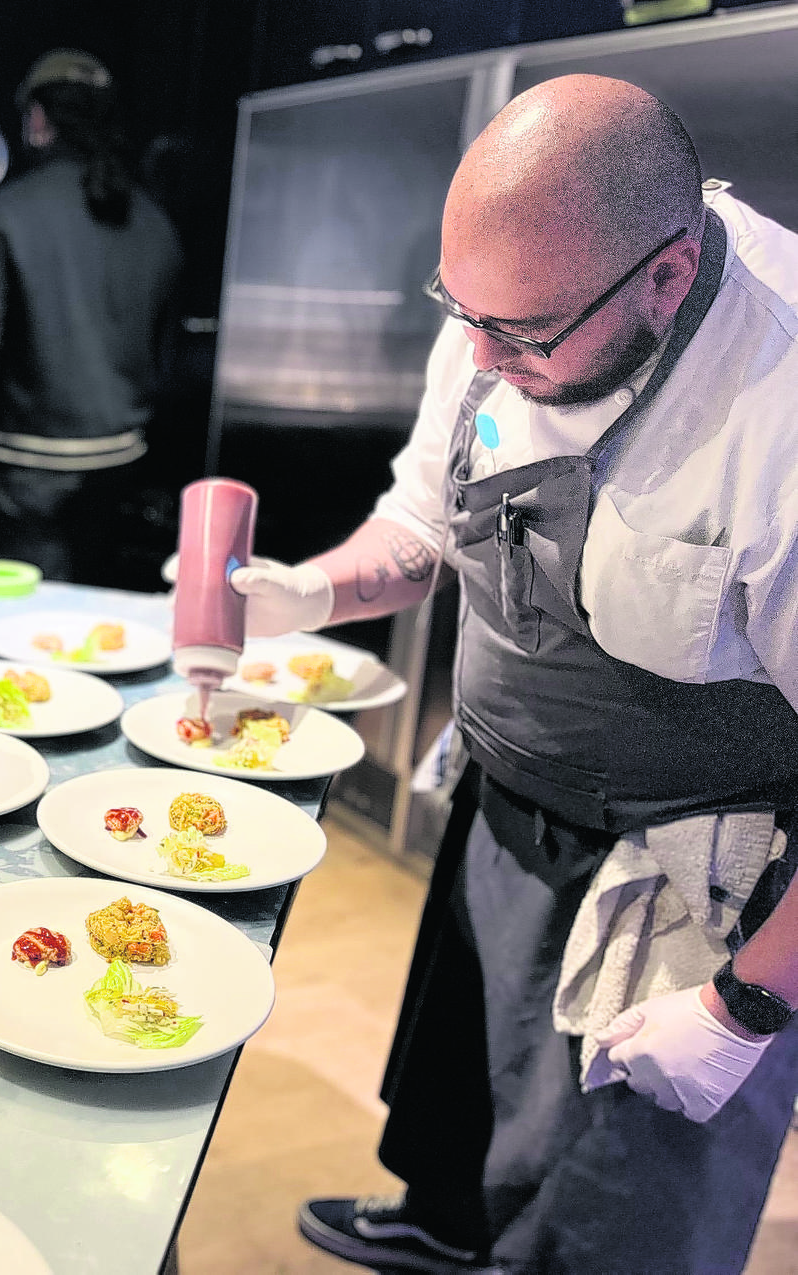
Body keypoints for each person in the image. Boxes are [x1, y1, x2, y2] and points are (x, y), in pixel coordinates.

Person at [231, 75, 798, 1275]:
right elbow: (420, 526)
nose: (481, 354)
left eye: (523, 335)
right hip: (506, 808)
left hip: (684, 888)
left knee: (610, 1213)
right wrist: (316, 591)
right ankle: (442, 1232)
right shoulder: (506, 302)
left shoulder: (778, 403)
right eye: (461, 311)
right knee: (467, 1111)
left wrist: (742, 1007)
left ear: (662, 271)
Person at [0, 49, 181, 585]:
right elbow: (163, 349)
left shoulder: (4, 212)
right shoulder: (154, 220)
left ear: (38, 119)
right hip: (122, 462)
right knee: (99, 626)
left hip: (29, 466)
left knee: (24, 631)